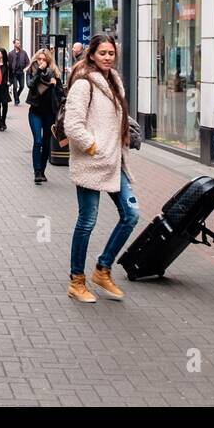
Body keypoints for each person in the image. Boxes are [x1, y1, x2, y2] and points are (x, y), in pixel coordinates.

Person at [63, 34, 138, 303]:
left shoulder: (114, 81)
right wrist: (94, 147)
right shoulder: (84, 83)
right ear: (92, 54)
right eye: (103, 53)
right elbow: (72, 124)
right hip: (92, 163)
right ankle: (76, 281)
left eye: (111, 53)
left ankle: (103, 269)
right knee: (87, 221)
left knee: (131, 214)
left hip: (115, 161)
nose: (108, 57)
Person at [25, 49, 63, 185]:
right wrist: (39, 72)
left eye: (44, 59)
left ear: (48, 60)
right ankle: (37, 172)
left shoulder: (55, 73)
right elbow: (30, 85)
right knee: (38, 141)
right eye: (39, 59)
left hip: (50, 113)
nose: (41, 61)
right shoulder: (32, 71)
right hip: (35, 112)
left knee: (46, 142)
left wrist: (55, 85)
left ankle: (42, 171)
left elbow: (60, 93)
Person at [8, 38, 29, 105]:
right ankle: (16, 100)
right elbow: (8, 63)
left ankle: (17, 96)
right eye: (17, 43)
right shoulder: (11, 53)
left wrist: (25, 68)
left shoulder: (24, 53)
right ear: (14, 44)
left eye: (19, 43)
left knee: (22, 86)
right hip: (14, 73)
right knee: (15, 87)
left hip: (21, 72)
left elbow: (28, 62)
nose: (18, 44)